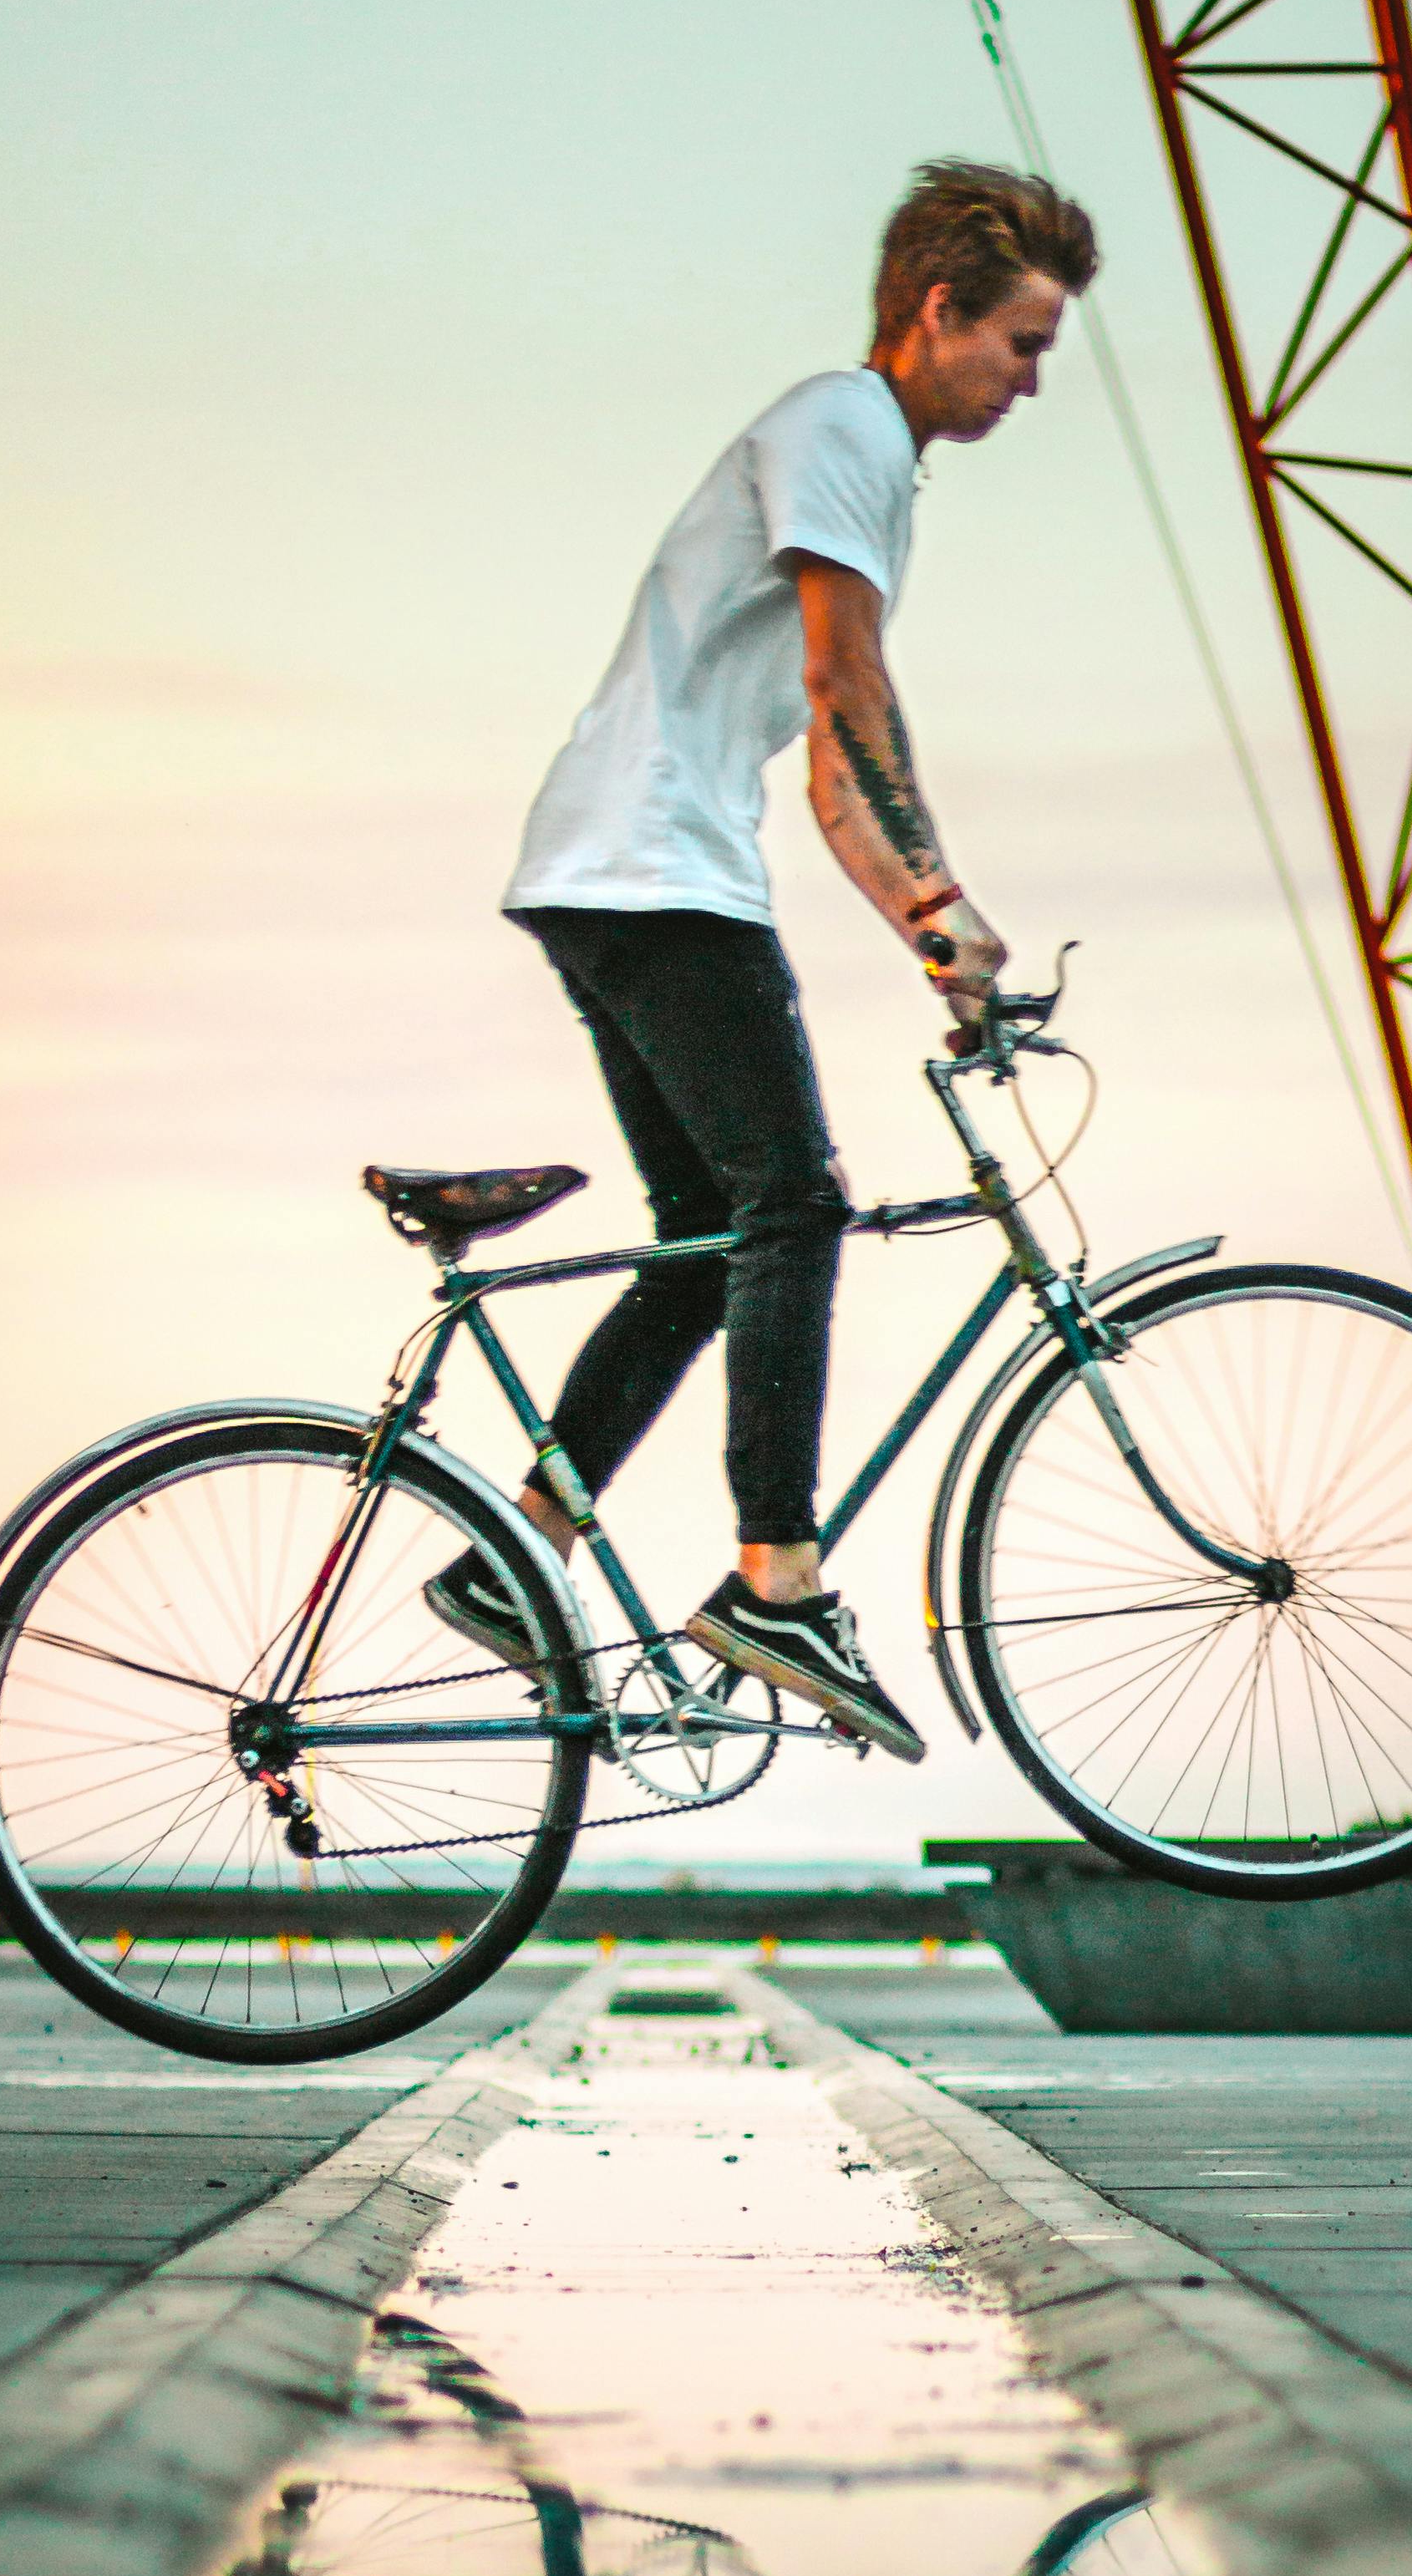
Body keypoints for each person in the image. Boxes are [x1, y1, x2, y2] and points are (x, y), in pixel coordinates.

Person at [425, 158, 1101, 1769]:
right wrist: (941, 911)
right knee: (789, 1205)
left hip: (622, 863)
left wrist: (932, 921)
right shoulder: (844, 433)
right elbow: (844, 686)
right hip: (654, 869)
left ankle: (519, 1554)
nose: (1031, 381)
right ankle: (776, 1583)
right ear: (936, 311)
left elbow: (826, 748)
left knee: (709, 1238)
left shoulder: (859, 452)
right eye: (1022, 342)